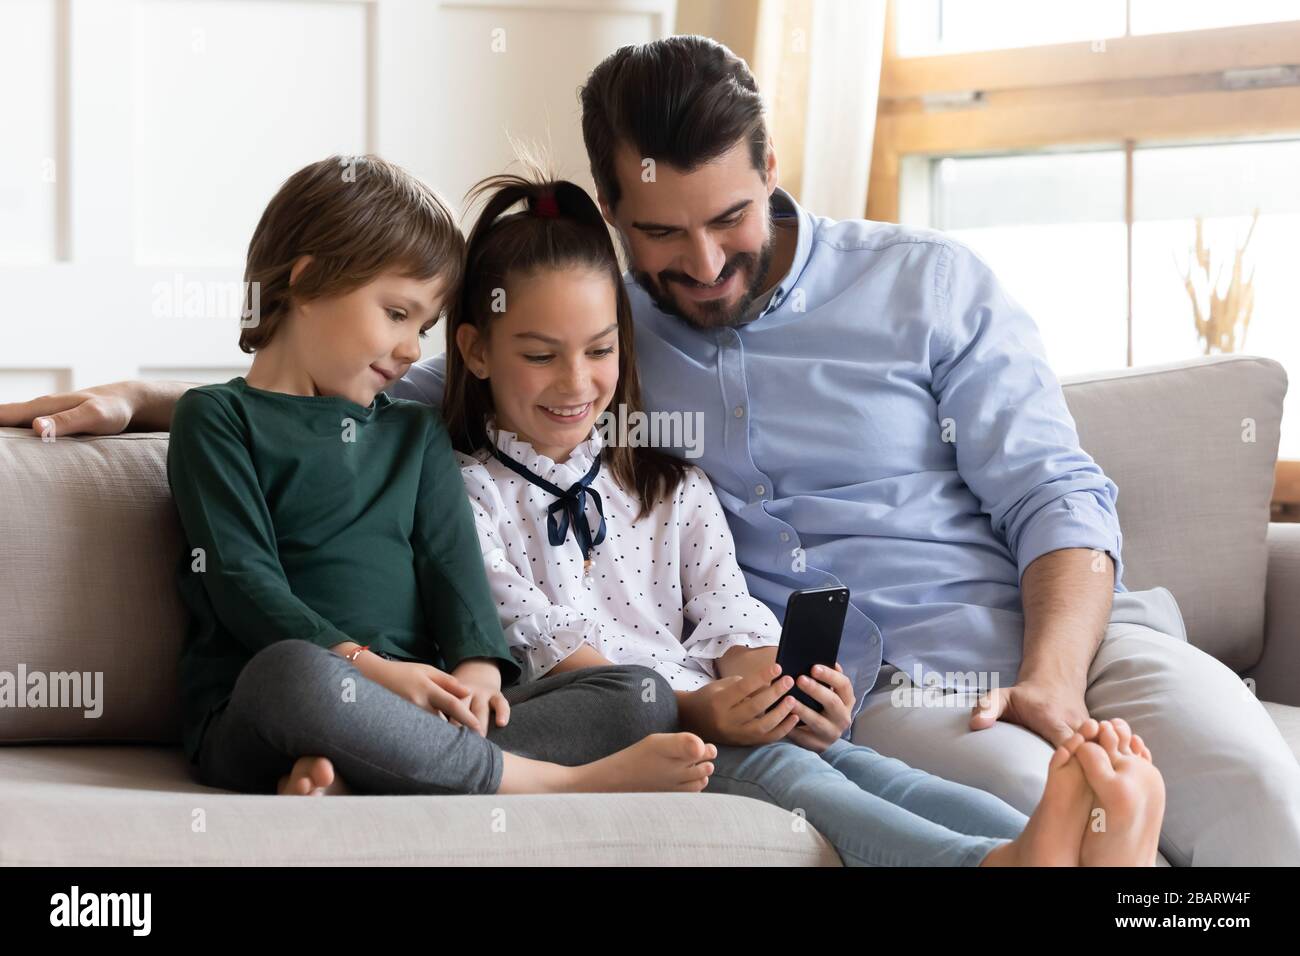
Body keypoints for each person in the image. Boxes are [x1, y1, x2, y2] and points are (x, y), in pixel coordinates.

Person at [6, 36, 1297, 863]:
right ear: (616, 218)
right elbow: (347, 383)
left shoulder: (926, 287)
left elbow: (1062, 502)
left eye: (730, 218)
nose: (704, 264)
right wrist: (144, 397)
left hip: (1074, 635)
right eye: (663, 239)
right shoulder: (577, 330)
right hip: (896, 692)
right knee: (1023, 806)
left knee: (1249, 793)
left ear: (775, 169)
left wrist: (1060, 679)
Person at [441, 167, 1165, 866]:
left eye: (600, 350)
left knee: (867, 768)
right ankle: (995, 865)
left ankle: (1073, 840)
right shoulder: (465, 494)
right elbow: (540, 642)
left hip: (719, 713)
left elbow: (731, 615)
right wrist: (704, 711)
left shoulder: (668, 484)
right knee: (799, 784)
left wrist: (783, 690)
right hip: (634, 733)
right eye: (540, 355)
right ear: (476, 349)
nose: (575, 382)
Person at [163, 154, 715, 797]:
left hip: (416, 711)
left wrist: (479, 670)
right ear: (307, 283)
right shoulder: (215, 420)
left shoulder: (413, 433)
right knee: (290, 674)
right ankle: (540, 782)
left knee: (640, 694)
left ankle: (373, 773)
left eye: (423, 327)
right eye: (397, 314)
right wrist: (374, 673)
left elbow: (455, 573)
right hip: (274, 705)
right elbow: (240, 582)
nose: (409, 349)